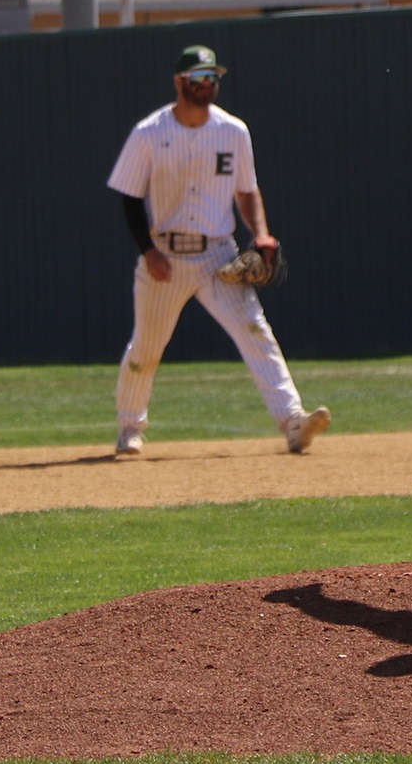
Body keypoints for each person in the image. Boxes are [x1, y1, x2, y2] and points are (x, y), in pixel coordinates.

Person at [106, 44, 330, 456]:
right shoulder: (149, 133)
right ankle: (129, 428)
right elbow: (130, 197)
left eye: (213, 78)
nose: (208, 85)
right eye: (199, 78)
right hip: (165, 256)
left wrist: (260, 234)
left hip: (217, 255)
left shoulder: (233, 131)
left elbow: (246, 191)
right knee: (147, 348)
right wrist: (148, 250)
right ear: (179, 82)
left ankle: (292, 421)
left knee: (255, 331)